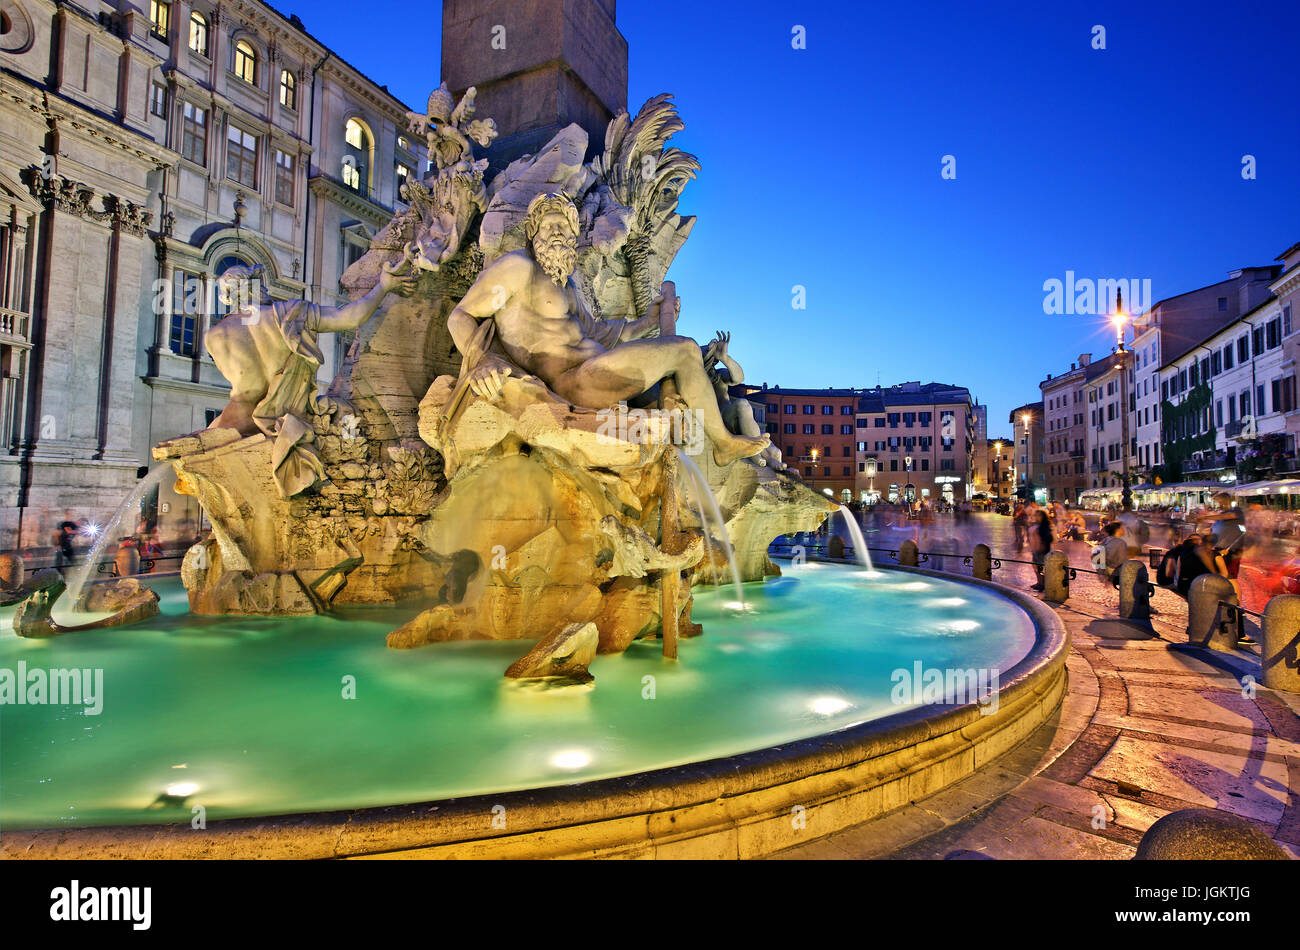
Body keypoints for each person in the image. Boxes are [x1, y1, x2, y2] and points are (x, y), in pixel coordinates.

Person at [445, 192, 771, 466]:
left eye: (564, 226)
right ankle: (724, 444)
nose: (557, 231)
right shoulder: (517, 267)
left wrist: (649, 322)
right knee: (684, 350)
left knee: (679, 387)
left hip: (597, 370)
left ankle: (706, 443)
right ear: (533, 232)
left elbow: (600, 334)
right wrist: (482, 359)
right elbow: (460, 315)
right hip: (574, 383)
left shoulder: (567, 283)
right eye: (549, 225)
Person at [1092, 521, 1127, 587]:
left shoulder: (1105, 541)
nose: (1124, 530)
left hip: (1103, 573)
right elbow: (1121, 562)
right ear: (1118, 530)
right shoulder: (1121, 543)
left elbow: (1095, 558)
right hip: (1114, 575)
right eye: (1122, 528)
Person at [1028, 509, 1054, 591]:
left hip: (1042, 550)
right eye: (1036, 515)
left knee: (1041, 567)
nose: (1037, 517)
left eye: (1039, 516)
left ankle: (1043, 583)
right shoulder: (1036, 525)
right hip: (1035, 549)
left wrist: (1042, 546)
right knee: (1035, 567)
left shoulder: (1045, 527)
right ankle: (1039, 582)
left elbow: (1049, 538)